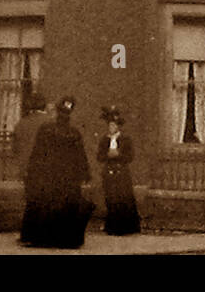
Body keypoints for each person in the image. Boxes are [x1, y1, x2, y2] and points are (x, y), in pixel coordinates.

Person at [21, 94, 93, 248]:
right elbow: (81, 156)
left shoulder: (46, 129)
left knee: (50, 204)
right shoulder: (74, 133)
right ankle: (66, 238)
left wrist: (33, 170)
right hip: (68, 177)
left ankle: (47, 238)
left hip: (50, 175)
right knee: (66, 205)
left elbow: (38, 153)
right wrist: (85, 174)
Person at [96, 106, 140, 236]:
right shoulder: (105, 140)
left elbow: (130, 157)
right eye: (110, 125)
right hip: (109, 172)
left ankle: (126, 227)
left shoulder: (125, 140)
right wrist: (108, 155)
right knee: (111, 199)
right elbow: (99, 156)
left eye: (114, 125)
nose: (111, 127)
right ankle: (112, 227)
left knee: (123, 198)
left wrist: (118, 155)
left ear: (118, 126)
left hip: (122, 173)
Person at [11, 91, 53, 179]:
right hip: (47, 170)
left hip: (26, 169)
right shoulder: (51, 123)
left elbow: (15, 148)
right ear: (44, 106)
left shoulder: (21, 124)